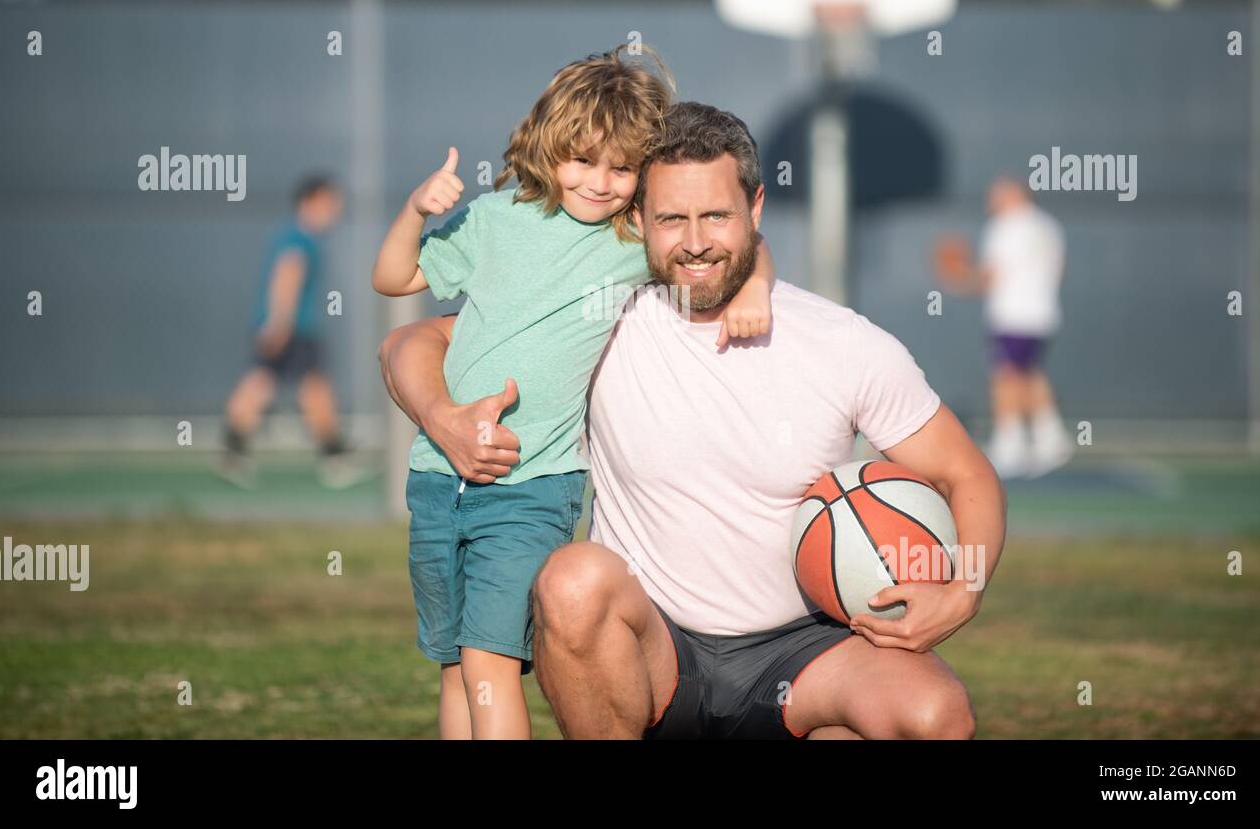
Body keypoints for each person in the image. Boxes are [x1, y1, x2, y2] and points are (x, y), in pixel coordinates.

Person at [381, 101, 1005, 740]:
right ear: (637, 221)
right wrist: (442, 415)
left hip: (808, 651)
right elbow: (410, 344)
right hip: (656, 652)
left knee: (933, 716)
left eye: (717, 215)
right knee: (571, 581)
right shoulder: (602, 317)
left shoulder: (844, 343)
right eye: (672, 219)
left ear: (755, 208)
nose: (697, 240)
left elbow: (966, 475)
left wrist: (964, 590)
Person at [372, 53, 777, 740]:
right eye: (583, 161)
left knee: (488, 663)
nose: (600, 183)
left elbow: (740, 246)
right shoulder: (493, 220)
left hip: (532, 488)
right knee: (452, 668)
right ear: (547, 146)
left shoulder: (630, 240)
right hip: (439, 480)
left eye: (621, 169)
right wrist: (415, 211)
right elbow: (393, 276)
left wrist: (757, 287)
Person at [219, 175, 360, 489]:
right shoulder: (299, 239)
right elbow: (287, 275)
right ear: (311, 201)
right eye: (330, 202)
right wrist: (279, 323)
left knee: (265, 381)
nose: (335, 211)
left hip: (288, 326)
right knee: (308, 386)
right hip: (294, 328)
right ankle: (334, 456)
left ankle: (234, 450)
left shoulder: (295, 236)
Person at [935, 176, 1072, 479]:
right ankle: (1051, 437)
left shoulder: (1005, 226)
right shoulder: (1048, 225)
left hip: (1014, 314)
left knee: (1005, 376)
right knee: (1029, 372)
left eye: (997, 193)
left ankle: (1010, 444)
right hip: (1043, 313)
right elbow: (1059, 270)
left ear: (1014, 194)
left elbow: (989, 276)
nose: (991, 199)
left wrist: (959, 281)